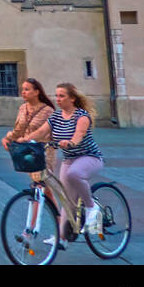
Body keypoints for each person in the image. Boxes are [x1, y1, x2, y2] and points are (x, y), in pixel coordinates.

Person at [28, 82, 104, 237]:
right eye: (56, 96)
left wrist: (71, 142)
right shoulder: (56, 116)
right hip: (69, 160)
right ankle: (61, 238)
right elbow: (42, 131)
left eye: (62, 96)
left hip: (89, 157)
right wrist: (24, 140)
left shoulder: (82, 116)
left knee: (74, 174)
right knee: (66, 201)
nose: (58, 99)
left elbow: (79, 134)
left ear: (72, 99)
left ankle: (91, 207)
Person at [1, 78, 56, 184]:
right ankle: (43, 200)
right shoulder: (22, 108)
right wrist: (7, 139)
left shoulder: (48, 111)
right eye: (22, 89)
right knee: (40, 187)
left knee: (40, 184)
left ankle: (40, 200)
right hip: (28, 150)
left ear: (36, 92)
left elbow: (51, 133)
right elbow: (18, 129)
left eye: (27, 89)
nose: (23, 92)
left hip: (44, 151)